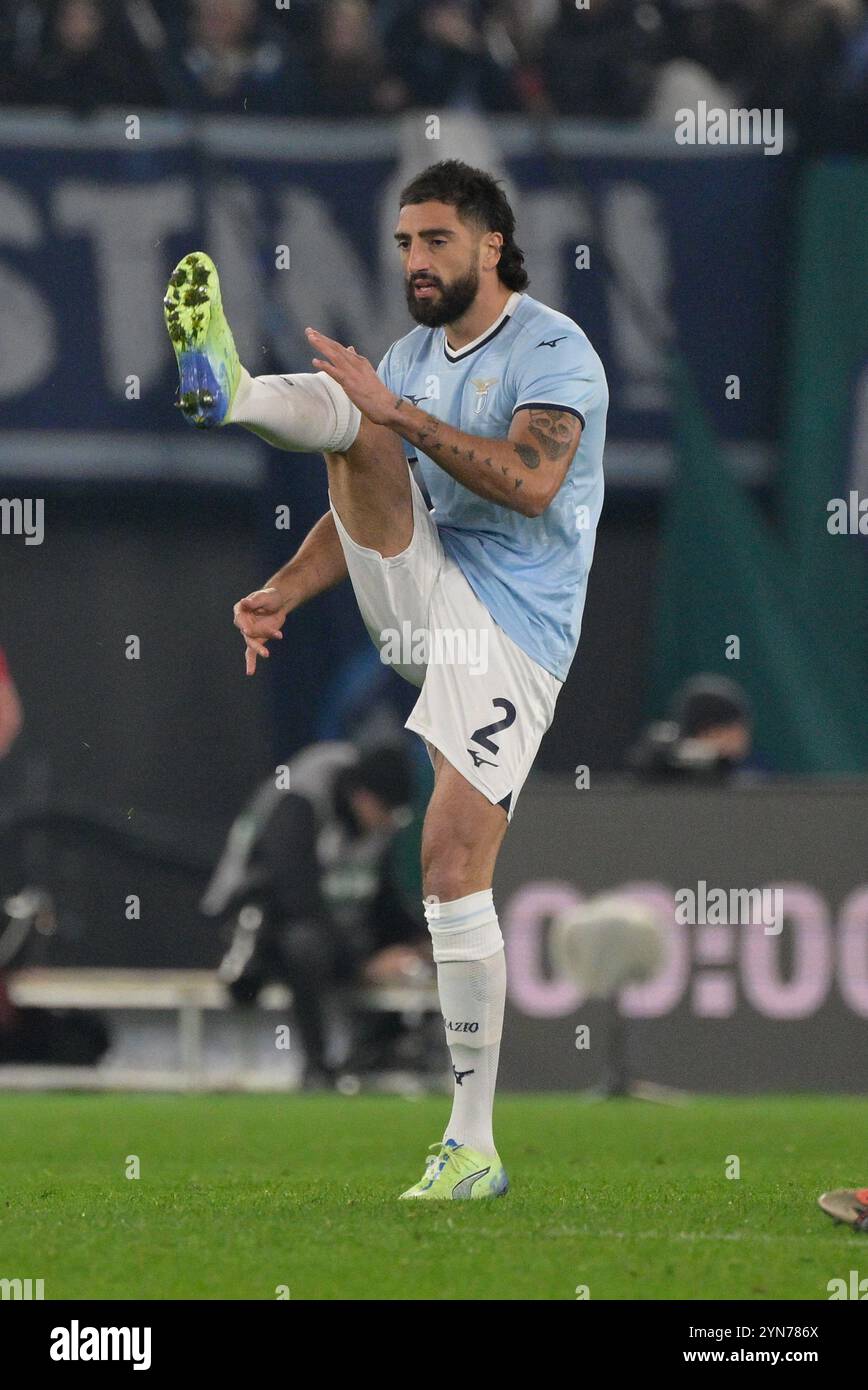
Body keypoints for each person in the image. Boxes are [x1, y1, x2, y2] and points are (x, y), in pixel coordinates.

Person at [163, 157, 608, 1197]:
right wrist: (282, 588)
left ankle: (472, 1145)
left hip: (510, 637)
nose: (414, 258)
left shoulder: (555, 349)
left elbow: (534, 483)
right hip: (423, 600)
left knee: (451, 867)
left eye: (435, 240)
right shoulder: (412, 357)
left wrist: (393, 415)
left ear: (491, 244)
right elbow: (366, 501)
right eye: (405, 241)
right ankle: (227, 391)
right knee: (355, 420)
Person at [201, 741, 430, 1087]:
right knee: (304, 945)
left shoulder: (373, 822)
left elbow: (383, 897)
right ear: (364, 797)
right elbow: (294, 898)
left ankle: (372, 1058)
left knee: (412, 954)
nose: (388, 825)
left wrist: (420, 940)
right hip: (262, 922)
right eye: (386, 812)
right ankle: (316, 1066)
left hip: (329, 929)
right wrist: (362, 963)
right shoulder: (301, 805)